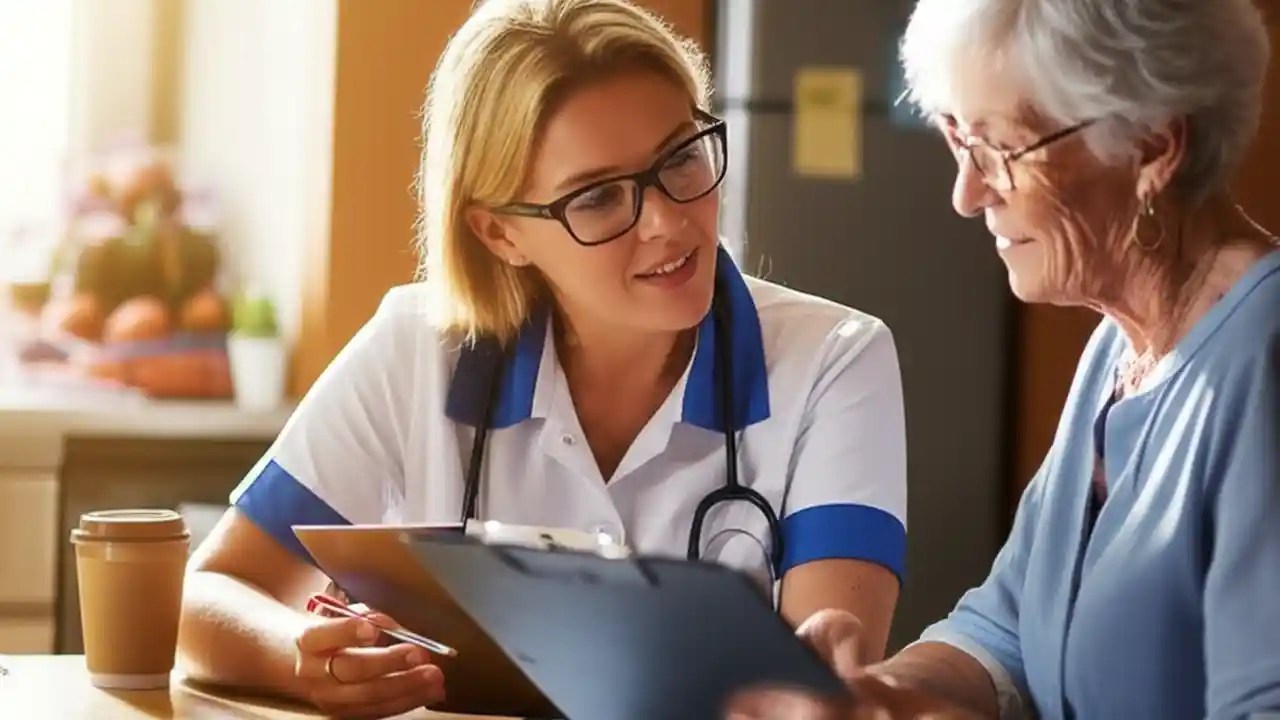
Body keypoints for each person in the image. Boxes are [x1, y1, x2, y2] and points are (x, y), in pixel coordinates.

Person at [176, 0, 908, 717]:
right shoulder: (416, 348)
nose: (668, 220)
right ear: (499, 234)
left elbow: (820, 691)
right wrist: (305, 653)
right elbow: (206, 598)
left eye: (681, 158)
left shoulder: (833, 362)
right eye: (596, 198)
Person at [728, 0, 1280, 719]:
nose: (967, 193)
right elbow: (1008, 628)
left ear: (1152, 148)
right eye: (959, 141)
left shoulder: (1263, 364)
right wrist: (875, 695)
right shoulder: (1120, 349)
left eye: (1000, 151)